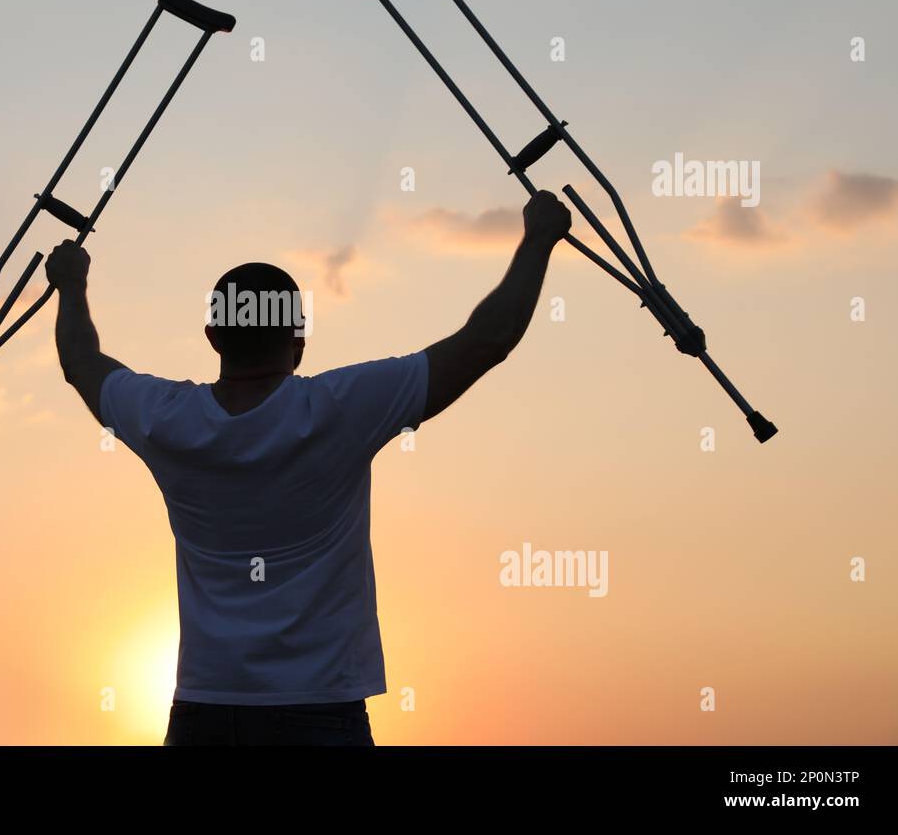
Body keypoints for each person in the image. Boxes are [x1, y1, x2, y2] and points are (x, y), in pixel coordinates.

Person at [46, 189, 571, 745]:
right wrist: (538, 239)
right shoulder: (343, 408)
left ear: (214, 337)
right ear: (298, 339)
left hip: (204, 713)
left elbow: (81, 363)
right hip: (321, 711)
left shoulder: (165, 421)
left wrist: (72, 283)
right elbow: (487, 340)